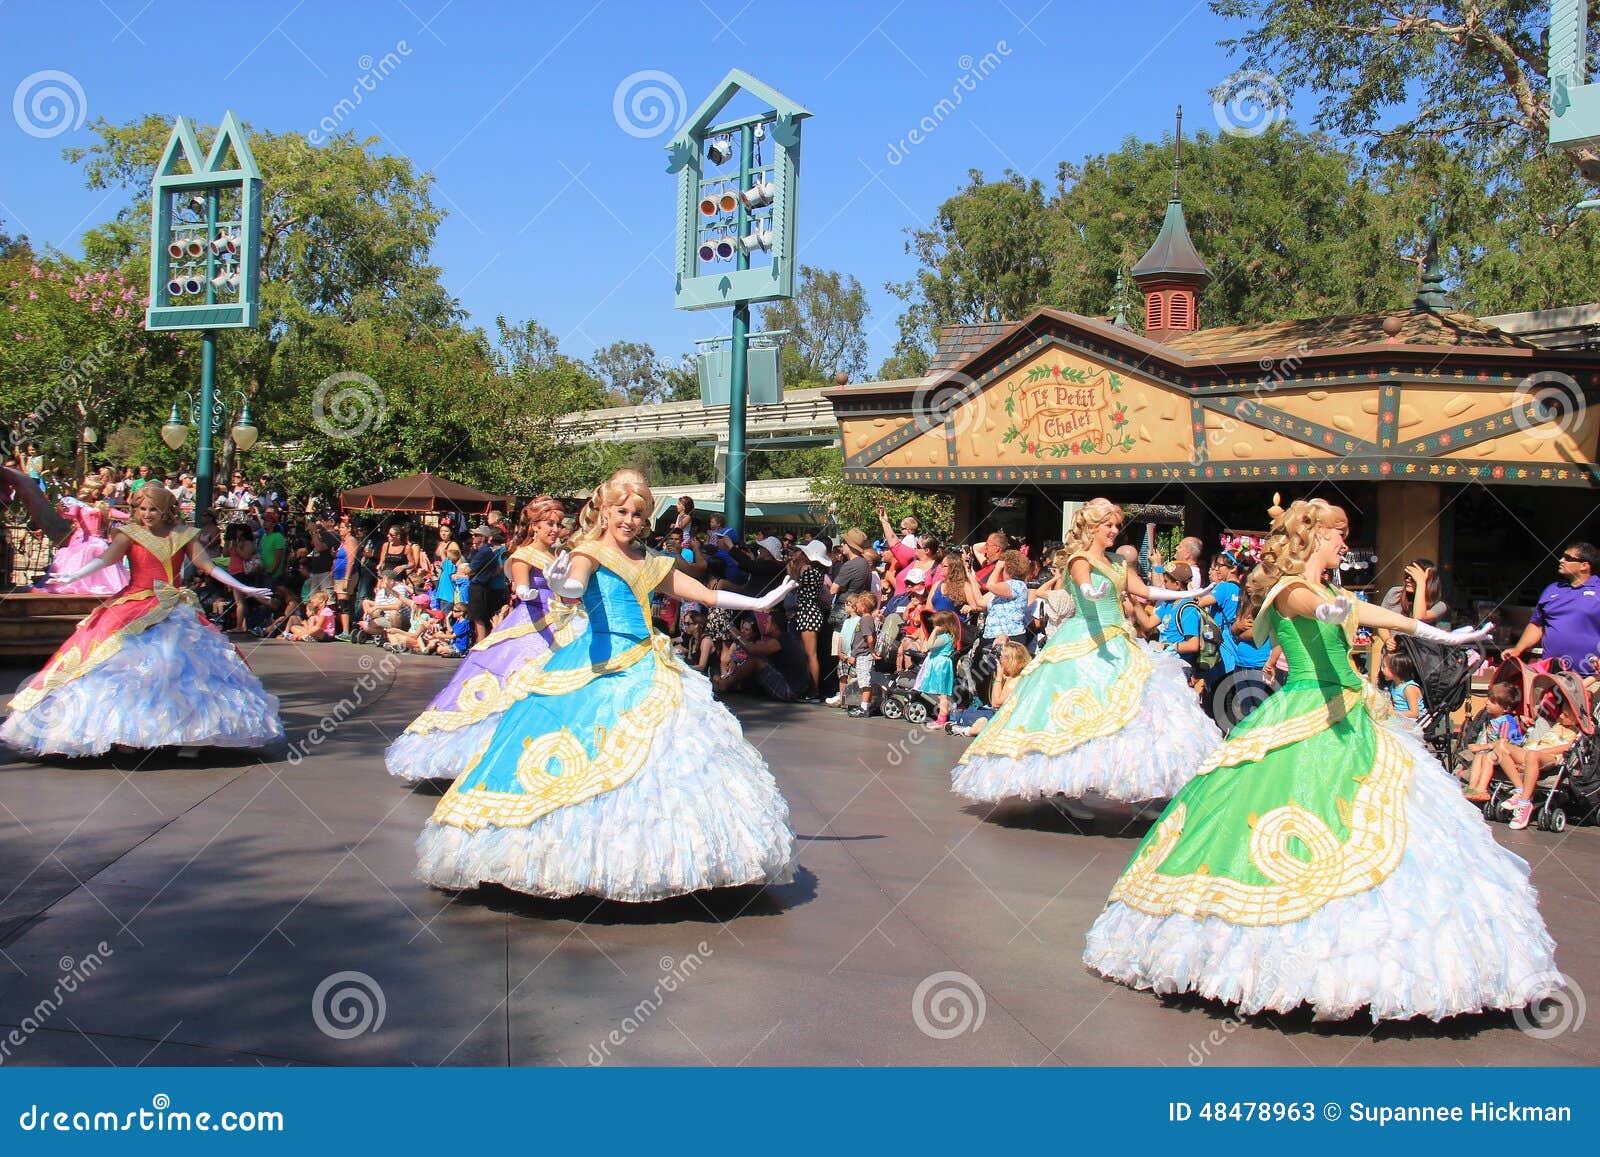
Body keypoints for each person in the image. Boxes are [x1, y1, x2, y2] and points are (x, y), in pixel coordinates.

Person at [1084, 497, 1558, 1022]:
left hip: (1353, 710)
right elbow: (1318, 609)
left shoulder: (1331, 589)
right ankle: (1275, 963)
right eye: (1337, 534)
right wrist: (1339, 611)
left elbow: (1362, 611)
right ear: (1314, 538)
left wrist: (1437, 632)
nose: (1343, 543)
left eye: (1343, 533)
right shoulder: (1291, 590)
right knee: (1294, 819)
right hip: (1309, 709)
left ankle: (1378, 962)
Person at [415, 474, 797, 901]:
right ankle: (550, 856)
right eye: (622, 512)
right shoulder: (589, 550)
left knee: (667, 760)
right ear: (605, 511)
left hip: (649, 665)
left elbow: (704, 595)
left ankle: (654, 857)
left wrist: (757, 601)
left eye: (638, 514)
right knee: (575, 754)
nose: (630, 521)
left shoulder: (650, 560)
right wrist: (565, 584)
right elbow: (576, 583)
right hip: (597, 664)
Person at [951, 498, 1220, 809]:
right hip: (1083, 639)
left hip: (1119, 640)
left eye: (1117, 526)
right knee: (1073, 713)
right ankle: (1067, 789)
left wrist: (1186, 593)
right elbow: (1083, 581)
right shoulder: (1080, 559)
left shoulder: (1118, 561)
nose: (1115, 531)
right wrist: (1090, 591)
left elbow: (1144, 591)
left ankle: (1141, 790)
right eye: (1109, 525)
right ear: (1092, 528)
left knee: (1136, 711)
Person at [2, 485, 283, 757]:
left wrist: (243, 588)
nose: (147, 514)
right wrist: (74, 576)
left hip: (174, 606)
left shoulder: (182, 534)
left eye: (154, 509)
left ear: (166, 510)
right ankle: (125, 734)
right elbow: (106, 559)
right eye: (143, 508)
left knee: (184, 670)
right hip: (134, 603)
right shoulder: (130, 534)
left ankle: (193, 733)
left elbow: (207, 566)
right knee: (116, 665)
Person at [385, 497, 568, 784]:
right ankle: (478, 756)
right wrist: (527, 592)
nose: (555, 529)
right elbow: (521, 586)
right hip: (532, 624)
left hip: (563, 621)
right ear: (534, 526)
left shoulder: (559, 555)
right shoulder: (525, 555)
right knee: (508, 684)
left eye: (559, 524)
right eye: (549, 523)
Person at [1502, 542, 1600, 674]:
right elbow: (1537, 624)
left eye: (1568, 558)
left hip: (1592, 676)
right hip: (1551, 675)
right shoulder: (1552, 589)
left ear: (1584, 566)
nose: (1561, 560)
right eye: (1562, 556)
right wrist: (1518, 649)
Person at [42, 489, 129, 595]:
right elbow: (71, 514)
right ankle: (81, 584)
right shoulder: (77, 504)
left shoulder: (101, 505)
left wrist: (131, 517)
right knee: (88, 552)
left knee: (102, 550)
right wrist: (61, 510)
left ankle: (99, 583)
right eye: (96, 489)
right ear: (89, 490)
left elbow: (114, 513)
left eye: (98, 489)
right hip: (86, 539)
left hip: (99, 539)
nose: (98, 492)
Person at [1463, 682, 1524, 803]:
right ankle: (1472, 786)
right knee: (1480, 756)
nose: (1486, 702)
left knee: (1487, 756)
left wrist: (1481, 746)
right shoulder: (1491, 718)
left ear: (1505, 708)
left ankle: (1482, 789)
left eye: (1492, 701)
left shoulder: (1506, 721)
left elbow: (1502, 743)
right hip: (1494, 749)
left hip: (1508, 751)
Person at [916, 610, 960, 730]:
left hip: (940, 665)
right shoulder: (945, 636)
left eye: (937, 625)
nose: (935, 627)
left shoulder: (944, 637)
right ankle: (944, 714)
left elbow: (929, 646)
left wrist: (934, 632)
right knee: (940, 693)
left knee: (942, 694)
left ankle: (942, 719)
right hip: (937, 663)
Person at [1382, 559, 1449, 625]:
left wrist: (1421, 583)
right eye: (1407, 576)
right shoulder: (1395, 592)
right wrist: (1387, 636)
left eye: (1413, 578)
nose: (1408, 580)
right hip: (1391, 636)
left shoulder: (1440, 606)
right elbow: (1382, 619)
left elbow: (1419, 617)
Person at [846, 591, 879, 717]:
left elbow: (869, 638)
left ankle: (864, 707)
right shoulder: (865, 619)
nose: (856, 607)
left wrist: (871, 650)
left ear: (864, 607)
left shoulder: (866, 620)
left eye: (858, 604)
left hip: (864, 655)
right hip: (861, 655)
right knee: (862, 681)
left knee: (865, 682)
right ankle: (864, 705)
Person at [1381, 648, 1423, 721]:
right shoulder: (1394, 684)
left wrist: (1393, 713)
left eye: (1384, 667)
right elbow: (1394, 703)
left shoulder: (1409, 688)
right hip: (1399, 718)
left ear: (1395, 669)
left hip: (1412, 721)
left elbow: (1415, 713)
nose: (1381, 669)